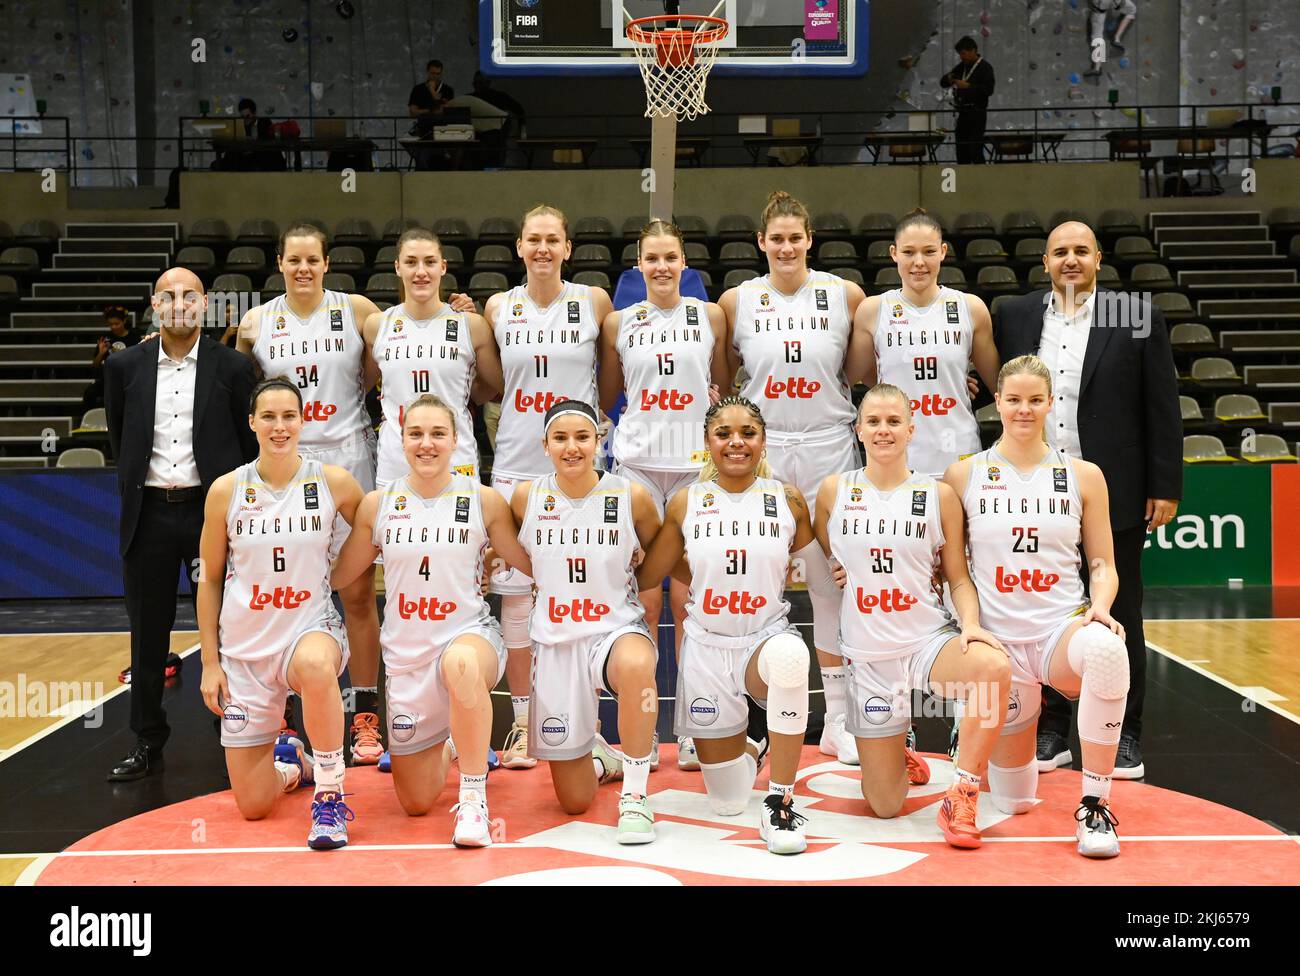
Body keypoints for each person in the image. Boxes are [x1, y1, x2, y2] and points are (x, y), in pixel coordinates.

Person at [993, 221, 1181, 779]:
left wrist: (1164, 483)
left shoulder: (1137, 316)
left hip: (1112, 486)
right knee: (1041, 611)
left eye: (1080, 251)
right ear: (1045, 262)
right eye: (1059, 253)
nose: (1070, 260)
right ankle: (1052, 727)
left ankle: (1124, 735)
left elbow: (1162, 403)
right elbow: (997, 379)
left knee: (1120, 611)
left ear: (1098, 258)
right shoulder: (1016, 316)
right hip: (1033, 491)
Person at [946, 355, 1131, 858]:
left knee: (1109, 652)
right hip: (995, 644)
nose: (1023, 410)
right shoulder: (963, 476)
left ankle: (1095, 806)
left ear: (1051, 403)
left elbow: (1102, 563)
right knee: (1014, 802)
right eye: (1013, 400)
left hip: (1058, 634)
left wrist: (1102, 606)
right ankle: (973, 743)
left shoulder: (1085, 475)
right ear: (997, 404)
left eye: (1034, 400)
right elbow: (943, 564)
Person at [815, 384, 1010, 849]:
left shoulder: (937, 494)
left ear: (911, 428)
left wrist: (972, 624)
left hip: (926, 641)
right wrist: (839, 566)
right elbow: (830, 552)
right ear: (858, 428)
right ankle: (896, 747)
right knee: (884, 805)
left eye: (894, 422)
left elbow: (959, 578)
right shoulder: (832, 491)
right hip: (868, 656)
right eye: (874, 422)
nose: (884, 431)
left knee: (992, 668)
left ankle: (962, 792)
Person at [332, 394, 532, 847]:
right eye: (416, 434)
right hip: (406, 657)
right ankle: (452, 741)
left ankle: (474, 800)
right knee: (417, 801)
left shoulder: (483, 500)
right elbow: (341, 573)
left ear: (456, 440)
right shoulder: (377, 505)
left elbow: (531, 559)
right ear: (399, 440)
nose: (427, 444)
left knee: (461, 665)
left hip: (469, 637)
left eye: (438, 433)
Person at [637, 396, 831, 854]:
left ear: (764, 441)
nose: (736, 442)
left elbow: (820, 579)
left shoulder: (786, 500)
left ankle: (781, 802)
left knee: (790, 655)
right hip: (706, 647)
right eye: (724, 433)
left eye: (748, 432)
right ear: (707, 442)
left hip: (763, 639)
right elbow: (652, 573)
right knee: (726, 802)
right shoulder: (688, 503)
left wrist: (843, 573)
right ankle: (754, 745)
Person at [720, 190, 868, 769]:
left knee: (833, 584)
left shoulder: (844, 296)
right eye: (775, 238)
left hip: (831, 447)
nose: (785, 246)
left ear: (810, 241)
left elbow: (866, 369)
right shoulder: (737, 301)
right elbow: (722, 376)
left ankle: (836, 721)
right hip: (767, 451)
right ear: (761, 243)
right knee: (759, 585)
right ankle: (755, 720)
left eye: (795, 238)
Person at [236, 223, 386, 765]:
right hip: (285, 463)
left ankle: (364, 713)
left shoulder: (359, 310)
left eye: (313, 260)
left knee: (357, 595)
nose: (304, 268)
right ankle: (282, 719)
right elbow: (249, 386)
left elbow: (378, 370)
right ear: (279, 262)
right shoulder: (256, 323)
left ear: (327, 263)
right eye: (293, 259)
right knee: (285, 593)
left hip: (347, 457)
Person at [103, 268, 258, 782]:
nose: (179, 304)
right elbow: (120, 435)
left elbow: (246, 441)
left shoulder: (233, 367)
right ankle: (147, 740)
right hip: (148, 513)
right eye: (168, 296)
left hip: (209, 512)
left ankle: (233, 728)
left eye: (189, 296)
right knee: (148, 633)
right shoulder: (124, 366)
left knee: (228, 625)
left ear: (205, 304)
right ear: (154, 304)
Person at [197, 377, 363, 849]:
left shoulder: (331, 481)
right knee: (253, 807)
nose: (279, 426)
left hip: (309, 629)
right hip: (245, 650)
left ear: (302, 421)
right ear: (252, 423)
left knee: (314, 665)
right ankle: (294, 766)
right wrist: (210, 662)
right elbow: (209, 578)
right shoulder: (226, 491)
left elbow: (374, 525)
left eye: (288, 416)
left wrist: (337, 575)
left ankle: (330, 793)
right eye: (268, 417)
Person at [483, 204, 615, 770]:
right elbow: (488, 383)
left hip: (579, 467)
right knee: (516, 598)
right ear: (518, 247)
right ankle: (520, 721)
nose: (542, 248)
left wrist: (587, 435)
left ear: (567, 247)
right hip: (516, 461)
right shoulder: (495, 307)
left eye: (552, 240)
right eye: (532, 239)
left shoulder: (594, 303)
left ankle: (593, 727)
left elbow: (608, 383)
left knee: (586, 596)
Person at [599, 218, 730, 771]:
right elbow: (609, 394)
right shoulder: (617, 323)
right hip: (638, 471)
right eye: (651, 258)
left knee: (692, 602)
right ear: (638, 265)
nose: (661, 267)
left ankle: (695, 729)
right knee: (645, 605)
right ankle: (643, 732)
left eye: (670, 257)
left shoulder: (711, 315)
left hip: (696, 471)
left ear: (684, 262)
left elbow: (722, 387)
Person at [511, 401, 662, 843]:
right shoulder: (527, 497)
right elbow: (511, 551)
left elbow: (653, 555)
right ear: (544, 445)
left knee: (636, 666)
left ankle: (635, 797)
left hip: (614, 629)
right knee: (574, 800)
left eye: (582, 437)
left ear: (600, 442)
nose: (572, 447)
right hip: (556, 641)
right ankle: (602, 759)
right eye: (560, 438)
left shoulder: (629, 496)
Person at [850, 207, 999, 478]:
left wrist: (952, 381)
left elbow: (999, 385)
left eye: (929, 252)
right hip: (897, 457)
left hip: (959, 453)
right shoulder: (873, 310)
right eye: (908, 252)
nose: (919, 261)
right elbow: (858, 377)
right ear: (894, 253)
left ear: (943, 251)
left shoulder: (970, 308)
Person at [364, 227, 503, 489]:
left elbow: (496, 385)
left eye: (430, 262)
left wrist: (465, 395)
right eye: (410, 262)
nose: (420, 271)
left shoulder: (470, 325)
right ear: (397, 267)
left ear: (443, 267)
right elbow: (361, 387)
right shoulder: (376, 326)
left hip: (455, 457)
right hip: (396, 459)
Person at [940, 36, 995, 165]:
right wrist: (950, 79)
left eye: (963, 53)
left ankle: (979, 177)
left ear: (973, 50)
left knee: (975, 147)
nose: (962, 57)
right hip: (963, 112)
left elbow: (988, 90)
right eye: (960, 54)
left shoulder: (985, 68)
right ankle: (963, 175)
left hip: (977, 112)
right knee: (961, 147)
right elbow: (943, 82)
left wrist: (968, 87)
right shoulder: (962, 67)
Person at [83, 305, 142, 412]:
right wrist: (101, 353)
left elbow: (140, 361)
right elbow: (95, 365)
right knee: (90, 394)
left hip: (129, 379)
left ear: (124, 321)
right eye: (111, 324)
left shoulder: (134, 338)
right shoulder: (106, 339)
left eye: (116, 324)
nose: (113, 327)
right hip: (109, 379)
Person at [408, 60, 456, 136]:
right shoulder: (418, 89)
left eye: (438, 74)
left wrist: (432, 91)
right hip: (423, 129)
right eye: (433, 73)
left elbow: (445, 111)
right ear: (427, 72)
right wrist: (431, 111)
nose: (435, 76)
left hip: (443, 130)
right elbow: (412, 113)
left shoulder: (448, 90)